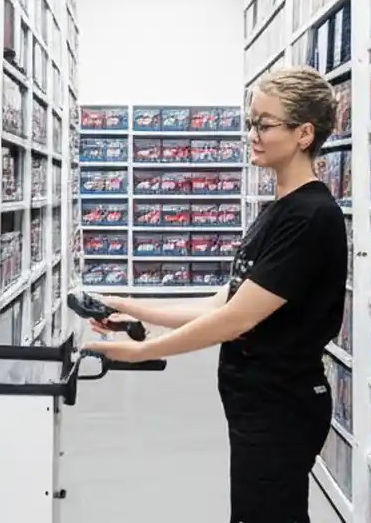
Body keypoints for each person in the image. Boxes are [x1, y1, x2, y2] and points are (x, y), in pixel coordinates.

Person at [83, 67, 349, 523]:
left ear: (304, 133)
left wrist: (143, 350)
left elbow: (235, 320)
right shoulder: (282, 210)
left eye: (265, 124)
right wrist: (126, 305)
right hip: (259, 404)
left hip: (281, 407)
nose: (253, 134)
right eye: (252, 123)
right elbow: (223, 302)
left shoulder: (310, 217)